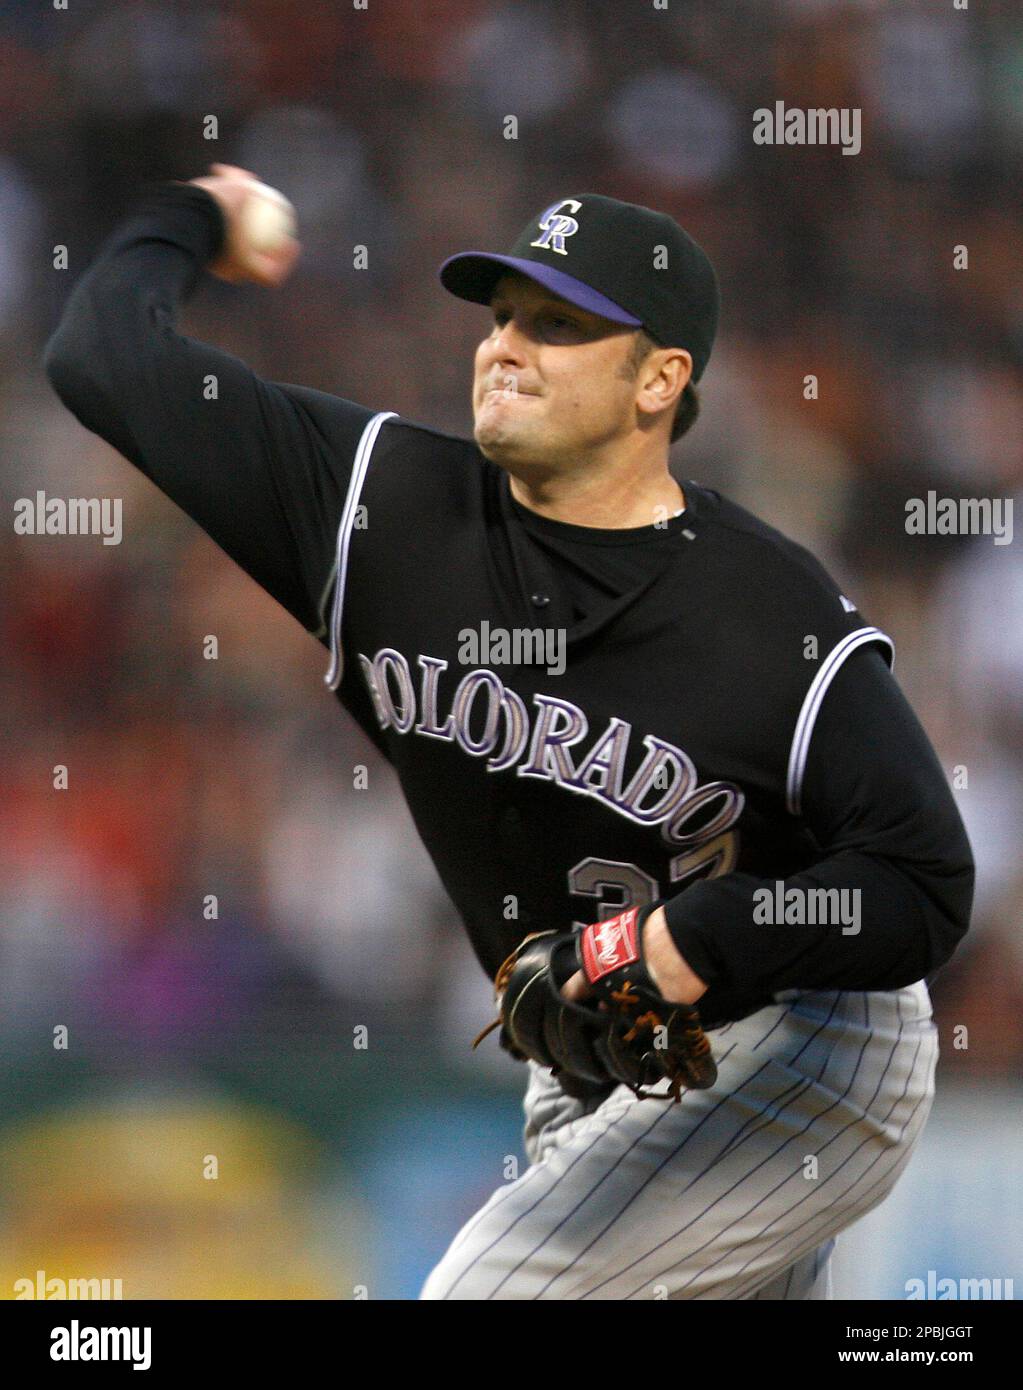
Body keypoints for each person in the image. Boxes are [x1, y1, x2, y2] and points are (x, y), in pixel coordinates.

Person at [43, 167, 974, 1300]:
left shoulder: (769, 615)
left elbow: (922, 881)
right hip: (605, 1062)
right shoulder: (379, 506)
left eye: (562, 326)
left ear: (660, 379)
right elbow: (103, 360)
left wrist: (691, 942)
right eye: (503, 316)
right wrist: (192, 212)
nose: (507, 347)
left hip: (807, 1045)